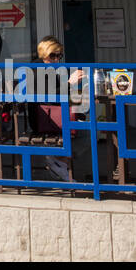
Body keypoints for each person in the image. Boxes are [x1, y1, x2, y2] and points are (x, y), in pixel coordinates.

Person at [35, 36, 85, 182]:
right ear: (44, 53)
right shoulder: (38, 69)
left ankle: (58, 161)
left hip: (50, 115)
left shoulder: (49, 68)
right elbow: (48, 96)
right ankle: (58, 160)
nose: (56, 59)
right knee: (86, 133)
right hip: (45, 118)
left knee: (84, 125)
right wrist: (70, 83)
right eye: (53, 55)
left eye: (59, 56)